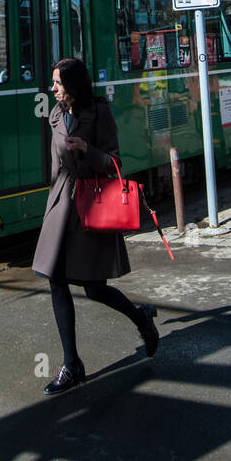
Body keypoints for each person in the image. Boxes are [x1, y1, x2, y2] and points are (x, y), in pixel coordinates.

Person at [32, 56, 159, 395]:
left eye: (58, 84)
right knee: (55, 280)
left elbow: (115, 162)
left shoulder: (99, 112)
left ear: (73, 85)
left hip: (91, 203)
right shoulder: (55, 114)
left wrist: (88, 150)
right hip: (62, 205)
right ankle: (71, 364)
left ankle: (141, 319)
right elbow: (54, 167)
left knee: (94, 287)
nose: (53, 89)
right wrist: (51, 206)